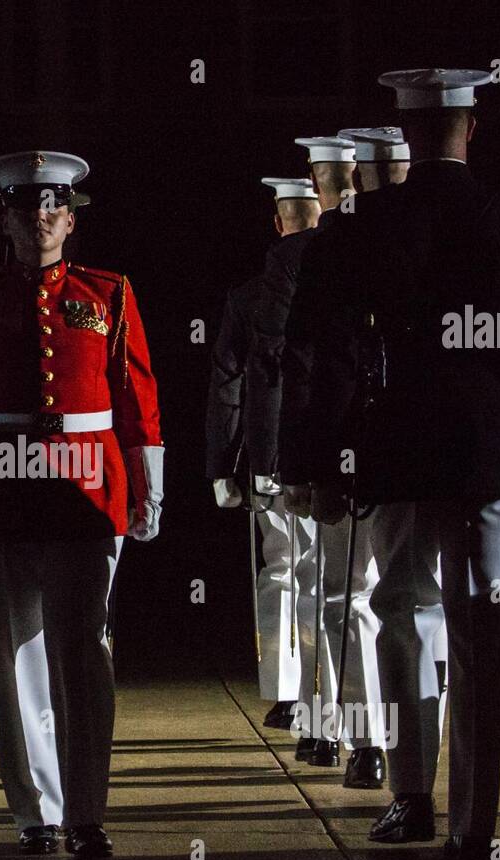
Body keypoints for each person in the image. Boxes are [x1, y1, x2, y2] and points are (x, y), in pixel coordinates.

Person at [281, 69, 500, 860]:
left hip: (399, 444)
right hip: (494, 450)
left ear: (404, 135)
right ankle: (474, 823)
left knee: (403, 618)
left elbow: (321, 353)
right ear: (471, 127)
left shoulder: (362, 227)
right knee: (484, 631)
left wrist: (315, 462)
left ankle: (411, 793)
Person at [0, 151, 162, 858]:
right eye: (28, 211)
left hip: (87, 490)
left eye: (53, 208)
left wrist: (146, 494)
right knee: (14, 659)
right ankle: (36, 811)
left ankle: (86, 812)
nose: (42, 221)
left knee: (83, 650)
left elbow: (136, 400)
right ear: (7, 219)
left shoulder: (108, 292)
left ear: (70, 216)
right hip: (1, 493)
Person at [206, 176, 320, 738]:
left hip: (271, 452)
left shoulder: (249, 296)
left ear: (278, 224)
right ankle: (331, 694)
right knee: (335, 578)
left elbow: (228, 385)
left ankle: (285, 694)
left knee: (283, 569)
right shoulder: (346, 282)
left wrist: (222, 464)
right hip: (331, 451)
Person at [278, 135, 358, 770]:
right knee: (370, 598)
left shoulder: (321, 253)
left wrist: (302, 466)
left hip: (354, 445)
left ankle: (345, 731)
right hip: (377, 447)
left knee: (341, 593)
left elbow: (301, 366)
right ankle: (368, 739)